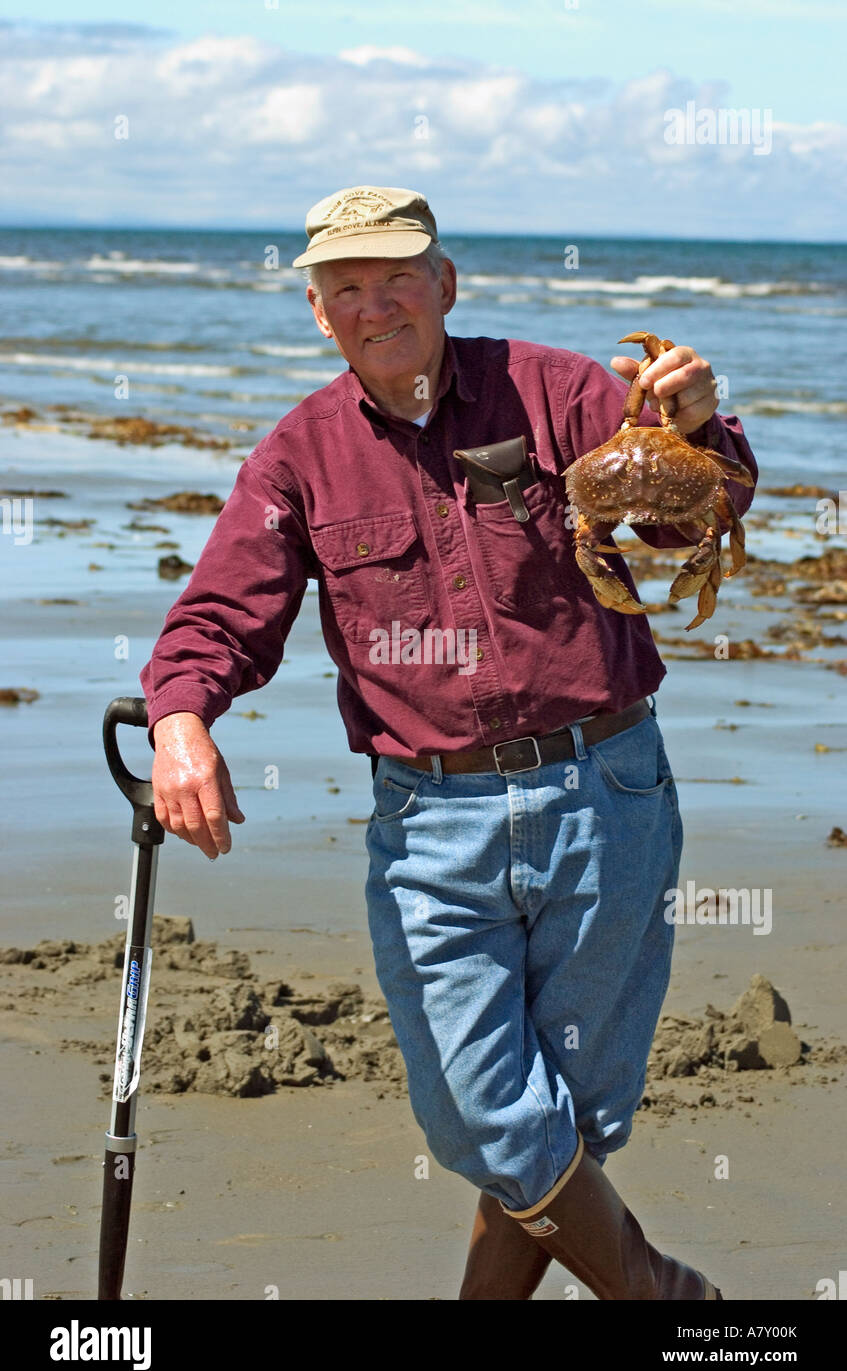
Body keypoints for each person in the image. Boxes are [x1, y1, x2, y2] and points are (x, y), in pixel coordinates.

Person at [141, 185, 758, 1300]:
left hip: (604, 790)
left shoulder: (559, 388)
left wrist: (698, 425)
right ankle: (663, 1297)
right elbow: (221, 613)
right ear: (321, 316)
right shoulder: (299, 455)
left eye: (397, 279)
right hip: (430, 822)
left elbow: (688, 516)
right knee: (486, 1110)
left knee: (576, 1115)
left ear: (446, 286)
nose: (376, 307)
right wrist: (181, 719)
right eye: (347, 290)